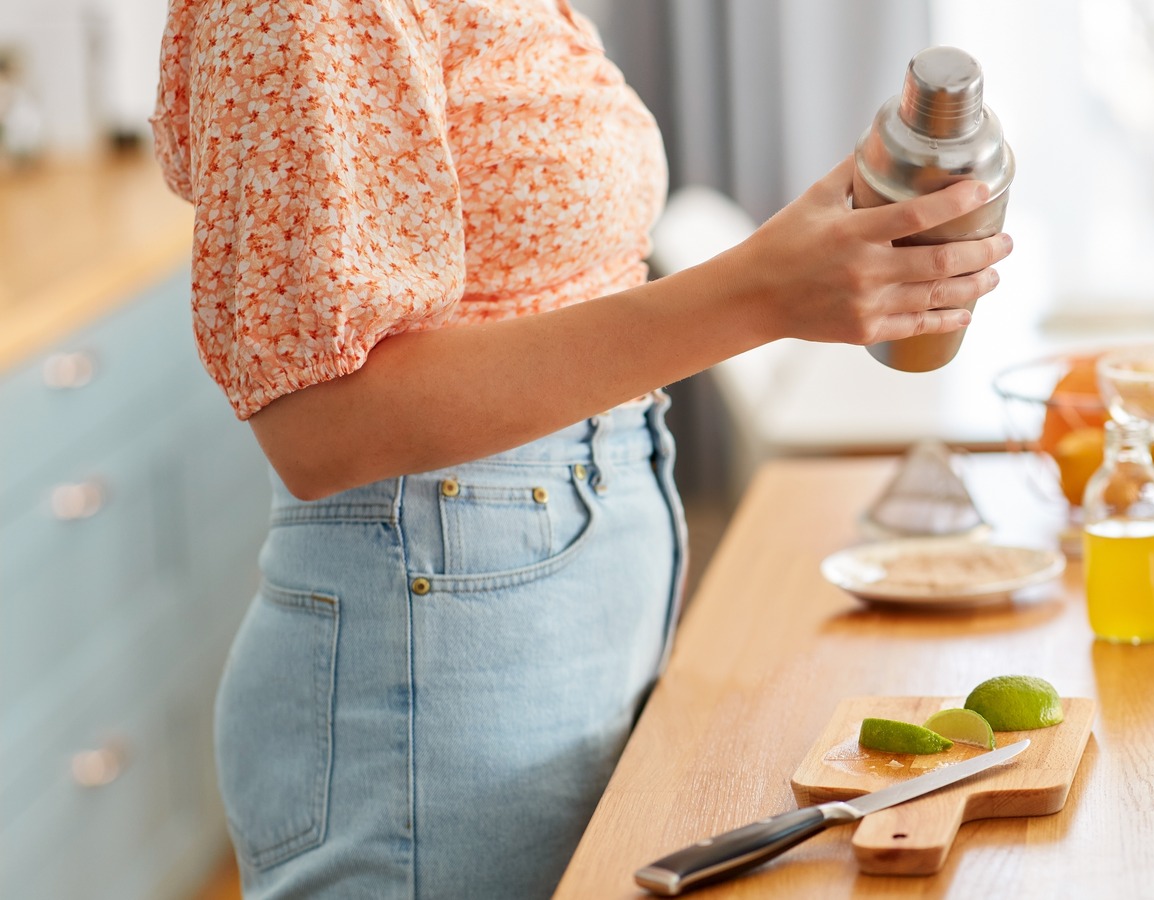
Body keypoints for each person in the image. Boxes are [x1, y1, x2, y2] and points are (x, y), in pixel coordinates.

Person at [152, 1, 1011, 896]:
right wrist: (760, 294)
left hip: (549, 616)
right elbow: (321, 425)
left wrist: (780, 277)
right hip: (428, 676)